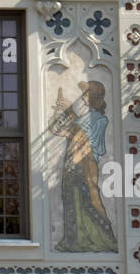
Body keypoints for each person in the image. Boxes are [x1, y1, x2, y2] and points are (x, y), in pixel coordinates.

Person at [50, 81, 117, 252]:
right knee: (71, 198)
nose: (83, 97)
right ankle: (73, 239)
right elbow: (62, 130)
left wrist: (69, 110)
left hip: (85, 165)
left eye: (86, 94)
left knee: (89, 199)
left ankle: (102, 238)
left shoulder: (99, 119)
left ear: (95, 98)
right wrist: (60, 113)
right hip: (72, 164)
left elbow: (82, 132)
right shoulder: (85, 117)